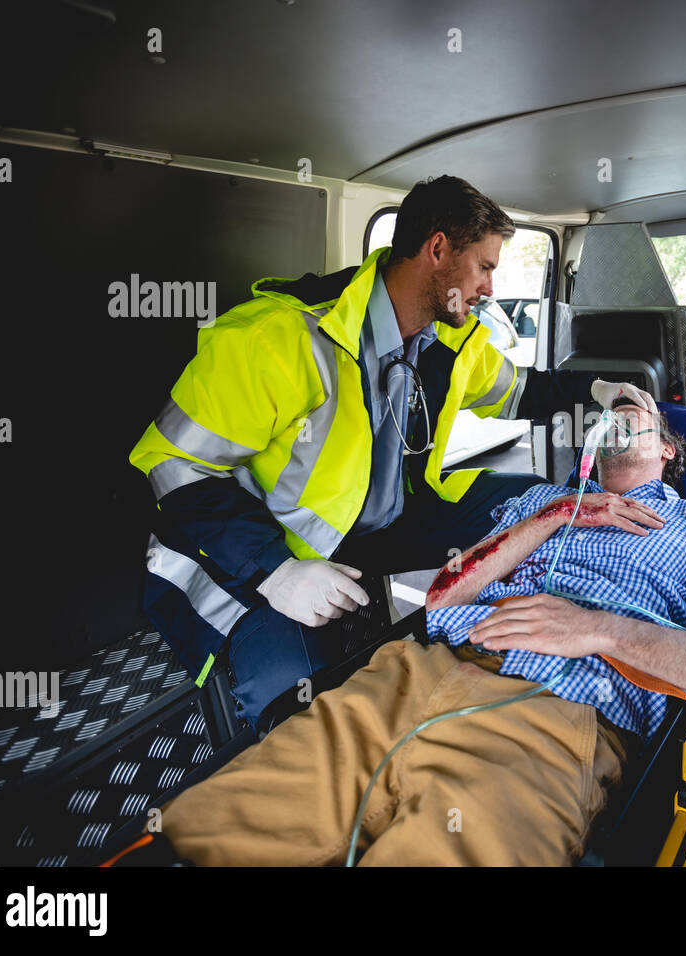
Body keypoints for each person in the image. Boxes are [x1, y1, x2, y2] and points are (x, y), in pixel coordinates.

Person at [129, 174, 654, 730]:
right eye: (485, 267)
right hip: (252, 557)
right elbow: (173, 463)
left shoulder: (449, 336)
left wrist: (596, 390)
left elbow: (520, 391)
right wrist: (279, 573)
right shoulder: (279, 337)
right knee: (295, 702)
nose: (490, 289)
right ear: (437, 250)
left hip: (376, 524)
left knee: (542, 504)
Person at [153, 401, 686, 866]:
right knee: (206, 836)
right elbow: (443, 598)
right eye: (604, 413)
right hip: (410, 674)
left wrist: (599, 629)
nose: (613, 418)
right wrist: (554, 514)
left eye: (633, 412)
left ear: (667, 450)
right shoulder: (534, 505)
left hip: (553, 720)